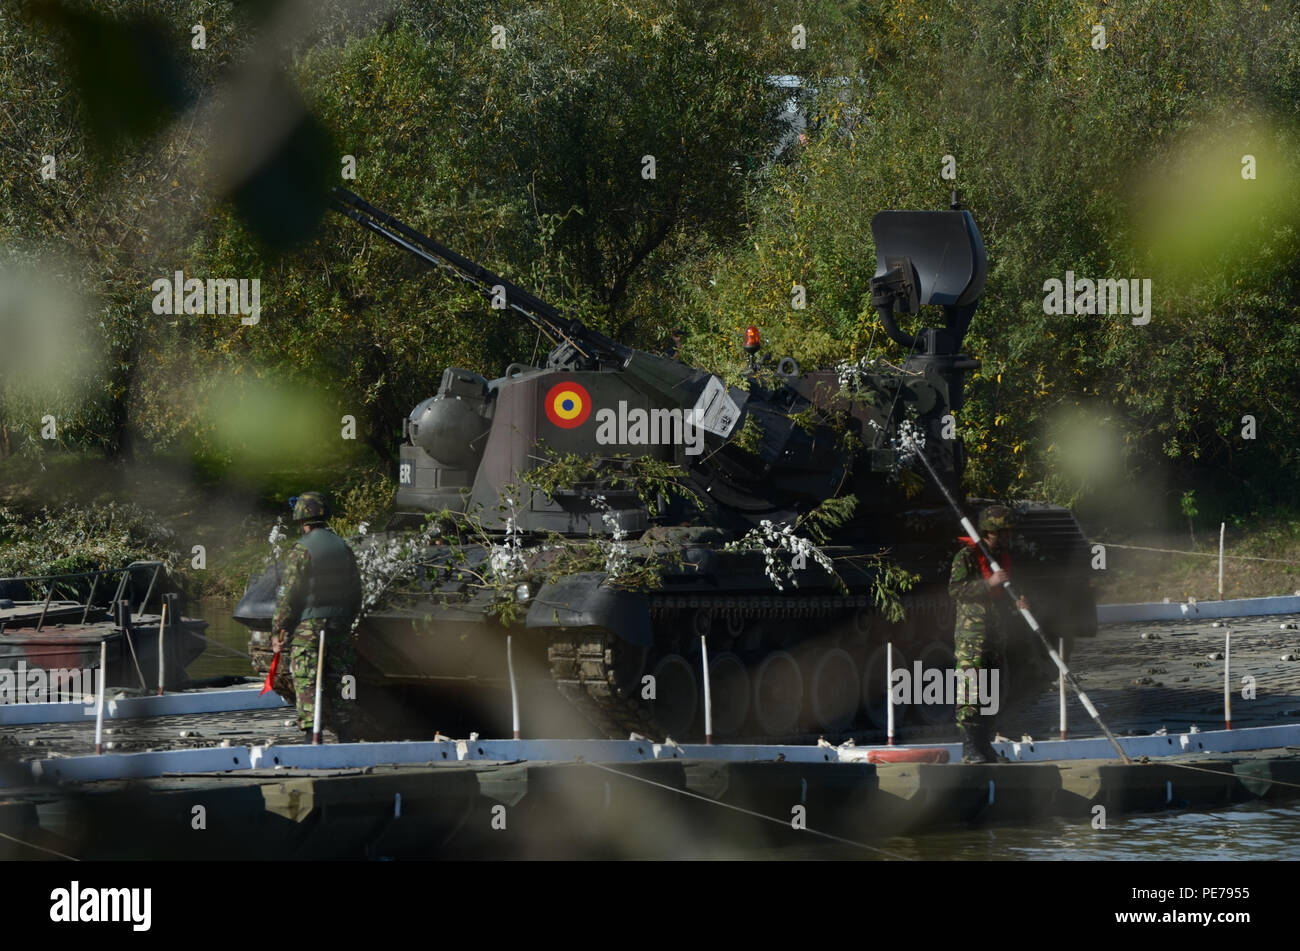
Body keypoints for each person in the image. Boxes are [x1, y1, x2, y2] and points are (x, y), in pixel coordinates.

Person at [270, 491, 363, 741]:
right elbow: (357, 591)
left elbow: (289, 595)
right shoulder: (343, 547)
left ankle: (313, 733)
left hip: (309, 627)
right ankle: (347, 732)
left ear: (302, 520)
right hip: (339, 625)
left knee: (306, 679)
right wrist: (346, 621)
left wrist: (278, 630)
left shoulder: (302, 549)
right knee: (343, 679)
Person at [949, 504, 1027, 763]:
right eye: (1001, 533)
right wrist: (988, 583)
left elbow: (1004, 594)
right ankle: (970, 749)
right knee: (970, 691)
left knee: (991, 692)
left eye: (1008, 532)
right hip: (973, 635)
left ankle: (985, 746)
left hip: (996, 634)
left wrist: (1016, 603)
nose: (1006, 537)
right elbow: (956, 589)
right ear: (988, 532)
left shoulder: (1004, 557)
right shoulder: (966, 556)